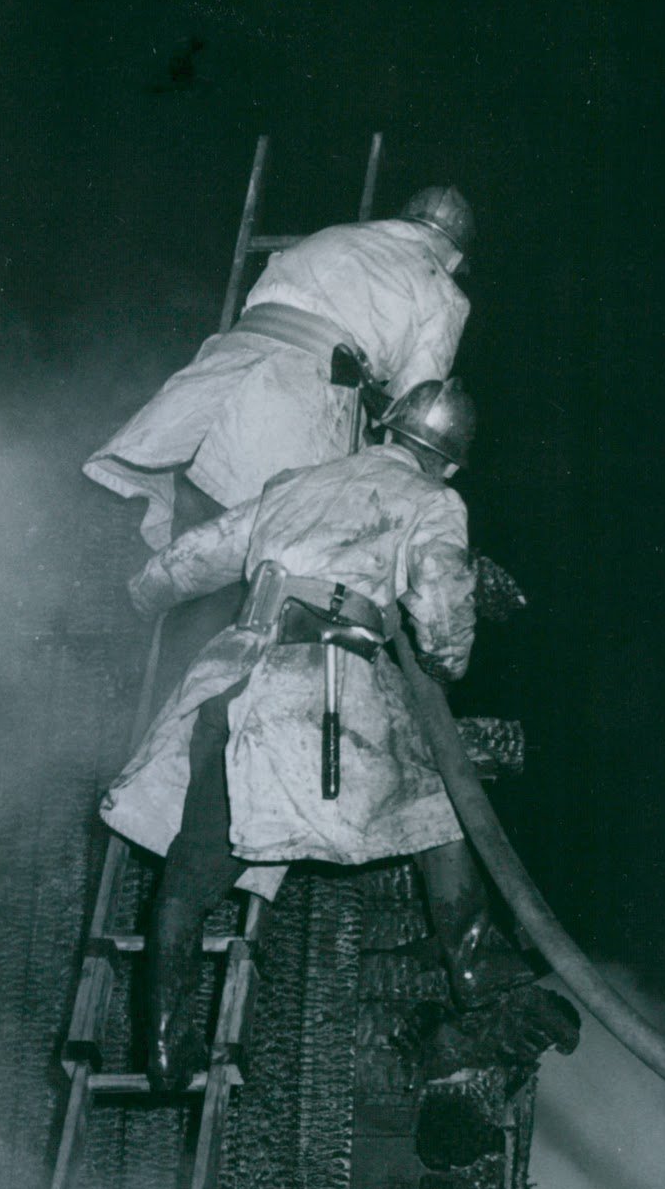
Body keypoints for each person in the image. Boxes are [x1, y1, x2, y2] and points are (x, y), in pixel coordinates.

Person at [100, 376, 576, 1091]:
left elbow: (199, 554)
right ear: (446, 461)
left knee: (190, 876)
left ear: (385, 430)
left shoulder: (301, 481)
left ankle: (167, 1046)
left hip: (232, 677)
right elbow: (441, 595)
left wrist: (142, 594)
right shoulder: (432, 499)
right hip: (316, 688)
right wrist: (446, 661)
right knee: (437, 813)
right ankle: (476, 968)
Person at [85, 187, 476, 549]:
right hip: (293, 405)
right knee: (265, 552)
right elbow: (416, 409)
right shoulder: (444, 292)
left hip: (214, 380)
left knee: (190, 544)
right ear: (455, 256)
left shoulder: (333, 234)